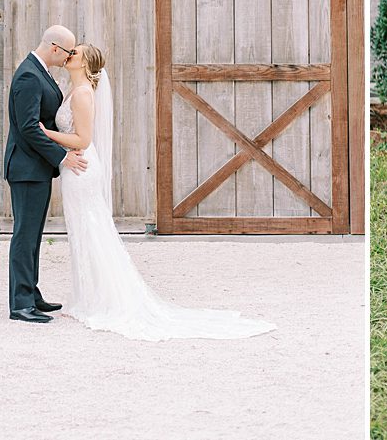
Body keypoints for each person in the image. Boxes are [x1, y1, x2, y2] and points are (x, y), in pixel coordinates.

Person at [41, 42, 276, 340]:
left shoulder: (84, 94)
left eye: (77, 52)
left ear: (86, 63)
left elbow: (84, 139)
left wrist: (46, 133)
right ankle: (86, 296)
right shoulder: (73, 91)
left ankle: (100, 300)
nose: (70, 53)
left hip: (82, 168)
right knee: (80, 232)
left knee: (91, 231)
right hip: (73, 168)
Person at [4, 24, 88, 323]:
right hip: (26, 169)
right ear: (55, 47)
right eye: (67, 52)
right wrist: (62, 157)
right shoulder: (29, 75)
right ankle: (20, 304)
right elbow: (28, 128)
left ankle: (31, 292)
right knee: (24, 236)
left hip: (36, 169)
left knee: (33, 236)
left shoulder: (40, 71)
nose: (67, 59)